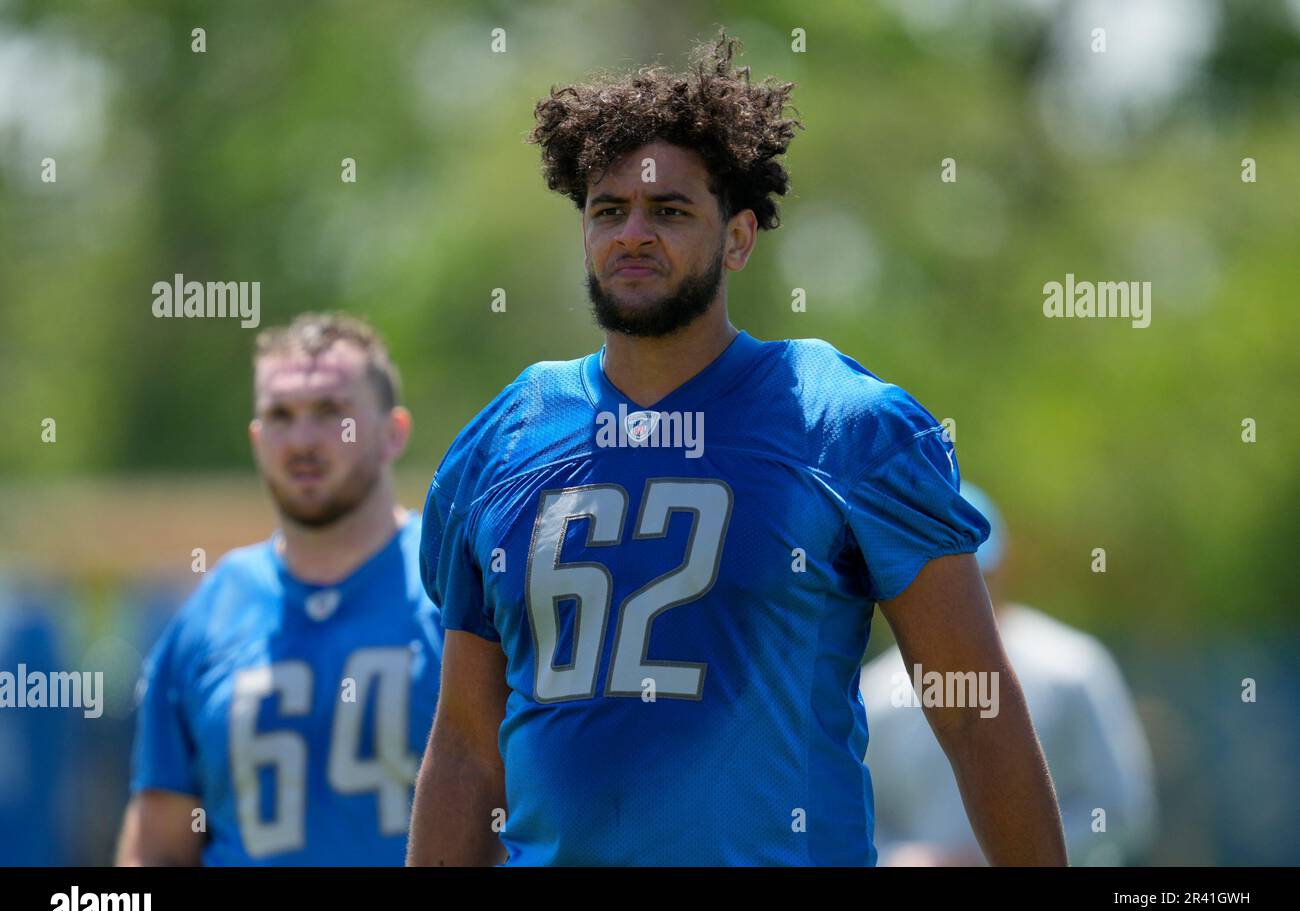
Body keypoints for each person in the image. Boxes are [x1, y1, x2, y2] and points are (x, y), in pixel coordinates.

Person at [409, 31, 1065, 866]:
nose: (633, 234)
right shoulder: (506, 436)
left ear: (739, 238)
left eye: (670, 211)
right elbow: (466, 749)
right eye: (608, 211)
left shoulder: (842, 423)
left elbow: (975, 714)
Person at [116, 313, 441, 865]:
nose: (303, 440)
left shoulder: (452, 591)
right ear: (257, 436)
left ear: (394, 432)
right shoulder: (207, 615)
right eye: (280, 416)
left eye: (331, 413)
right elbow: (156, 848)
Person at [861, 484, 1157, 866]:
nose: (952, 590)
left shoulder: (1072, 667)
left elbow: (1121, 809)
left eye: (973, 572)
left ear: (1002, 566)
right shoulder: (876, 691)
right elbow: (861, 817)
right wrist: (906, 859)